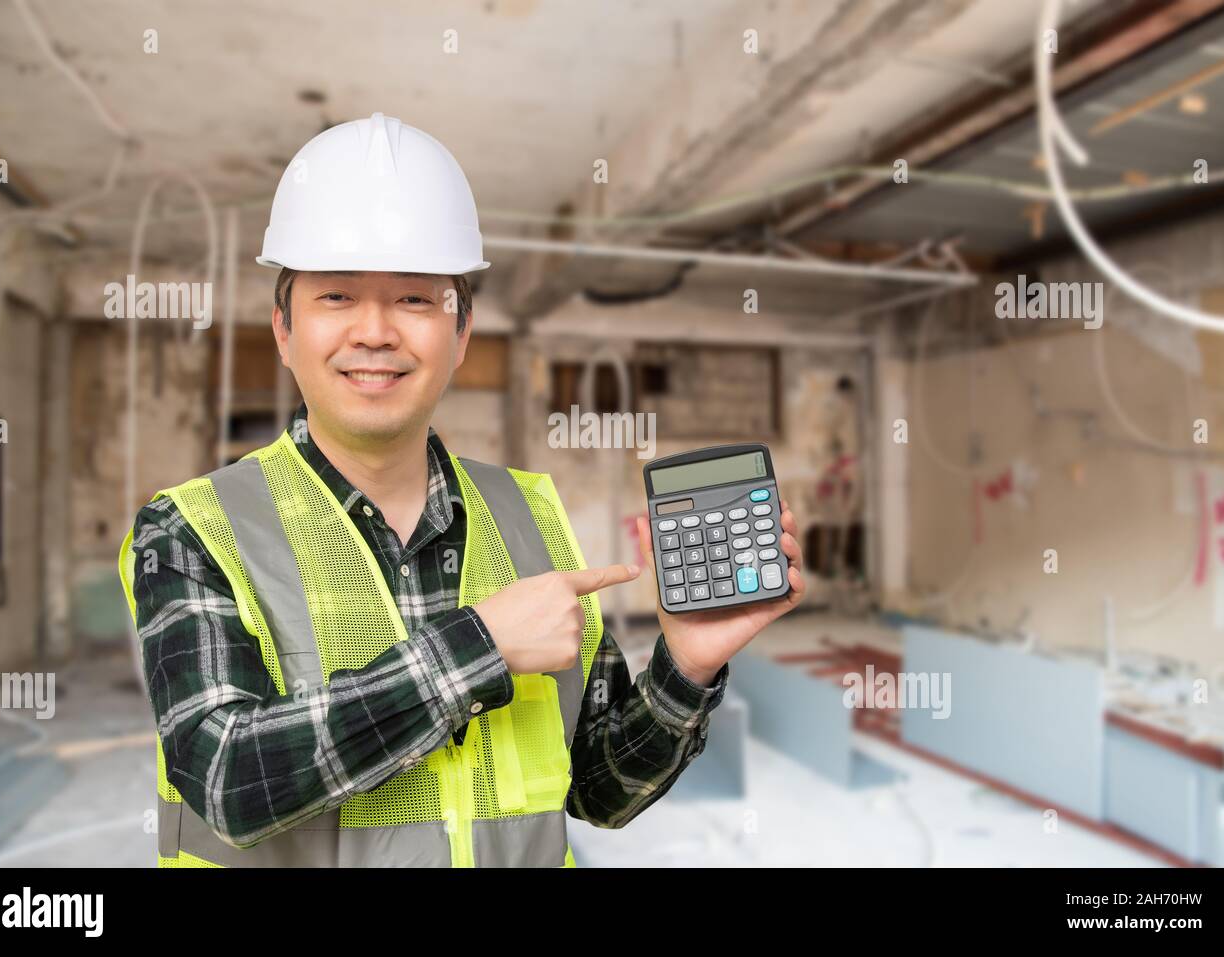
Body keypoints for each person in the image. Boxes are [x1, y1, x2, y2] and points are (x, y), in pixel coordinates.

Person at [117, 113, 805, 867]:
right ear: (283, 330)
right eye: (337, 297)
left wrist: (687, 664)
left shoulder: (528, 516)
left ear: (463, 333)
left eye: (415, 299)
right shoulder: (191, 529)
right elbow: (228, 779)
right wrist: (479, 648)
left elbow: (601, 792)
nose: (375, 331)